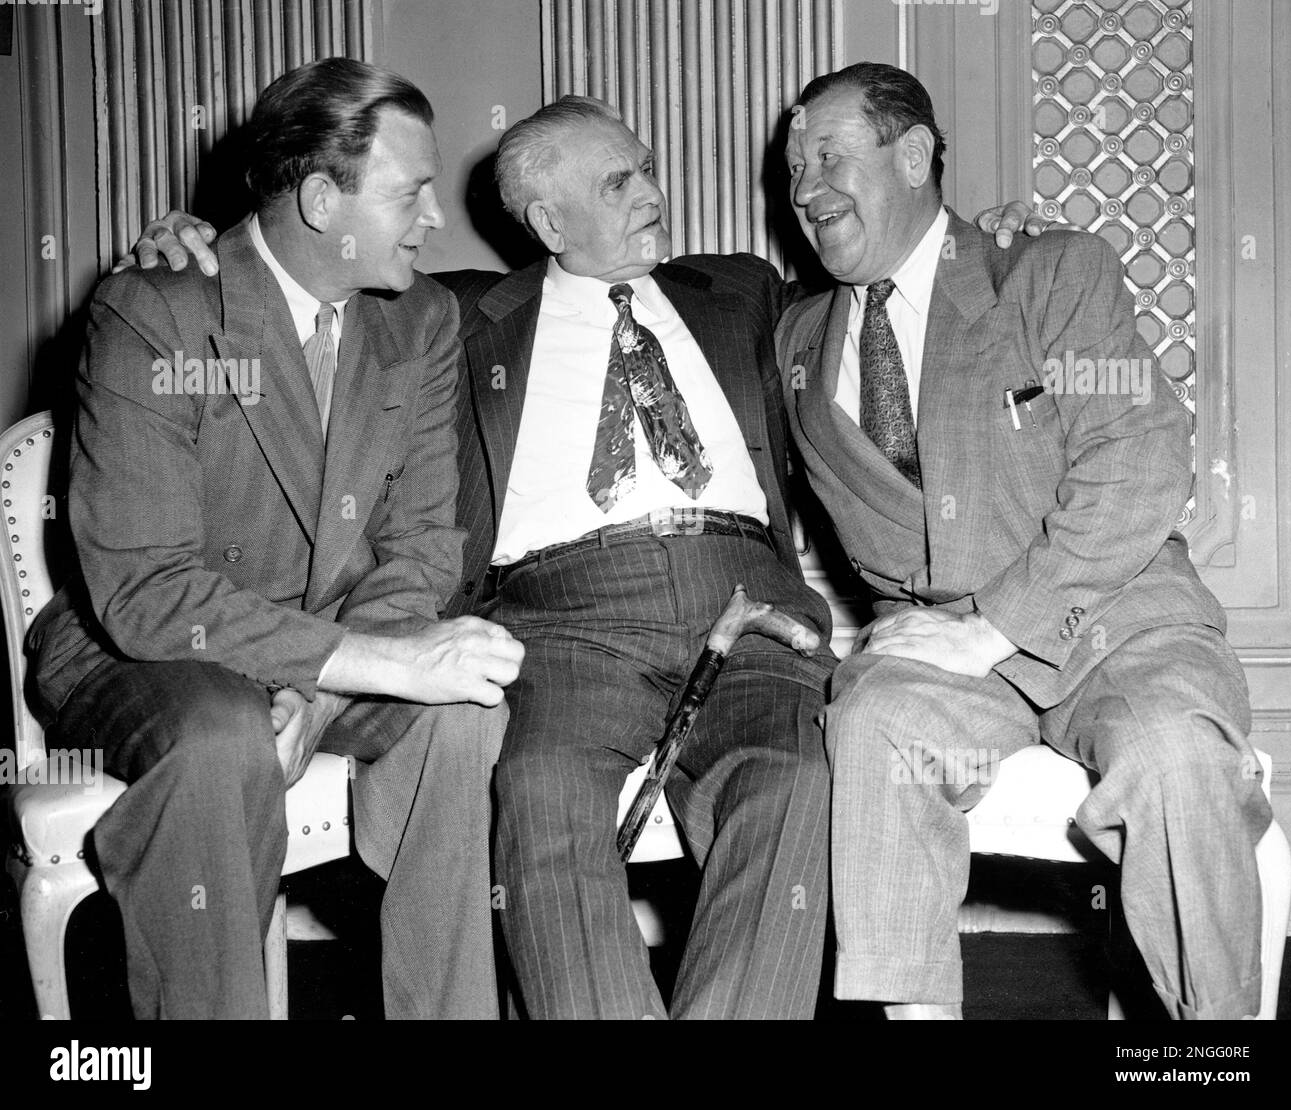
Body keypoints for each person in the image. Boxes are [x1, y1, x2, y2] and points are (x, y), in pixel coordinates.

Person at [128, 93, 1043, 1020]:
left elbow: (894, 295)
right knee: (540, 791)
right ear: (548, 219)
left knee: (793, 781)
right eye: (621, 179)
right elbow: (303, 271)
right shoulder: (457, 313)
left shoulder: (745, 292)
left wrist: (979, 239)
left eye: (646, 166)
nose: (654, 189)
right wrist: (196, 246)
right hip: (559, 619)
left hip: (751, 604)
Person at [26, 57, 524, 1020]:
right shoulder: (158, 310)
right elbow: (145, 591)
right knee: (218, 736)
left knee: (462, 709)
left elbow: (420, 546)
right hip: (149, 649)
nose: (434, 220)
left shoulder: (421, 321)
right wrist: (362, 661)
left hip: (328, 643)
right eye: (411, 193)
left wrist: (328, 686)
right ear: (321, 199)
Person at [778, 61, 1272, 1020]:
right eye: (795, 168)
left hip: (1116, 618)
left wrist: (994, 627)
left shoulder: (1049, 269)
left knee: (1174, 757)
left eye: (830, 157)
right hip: (941, 652)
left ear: (914, 154)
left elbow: (1138, 464)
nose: (805, 190)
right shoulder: (795, 338)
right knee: (873, 718)